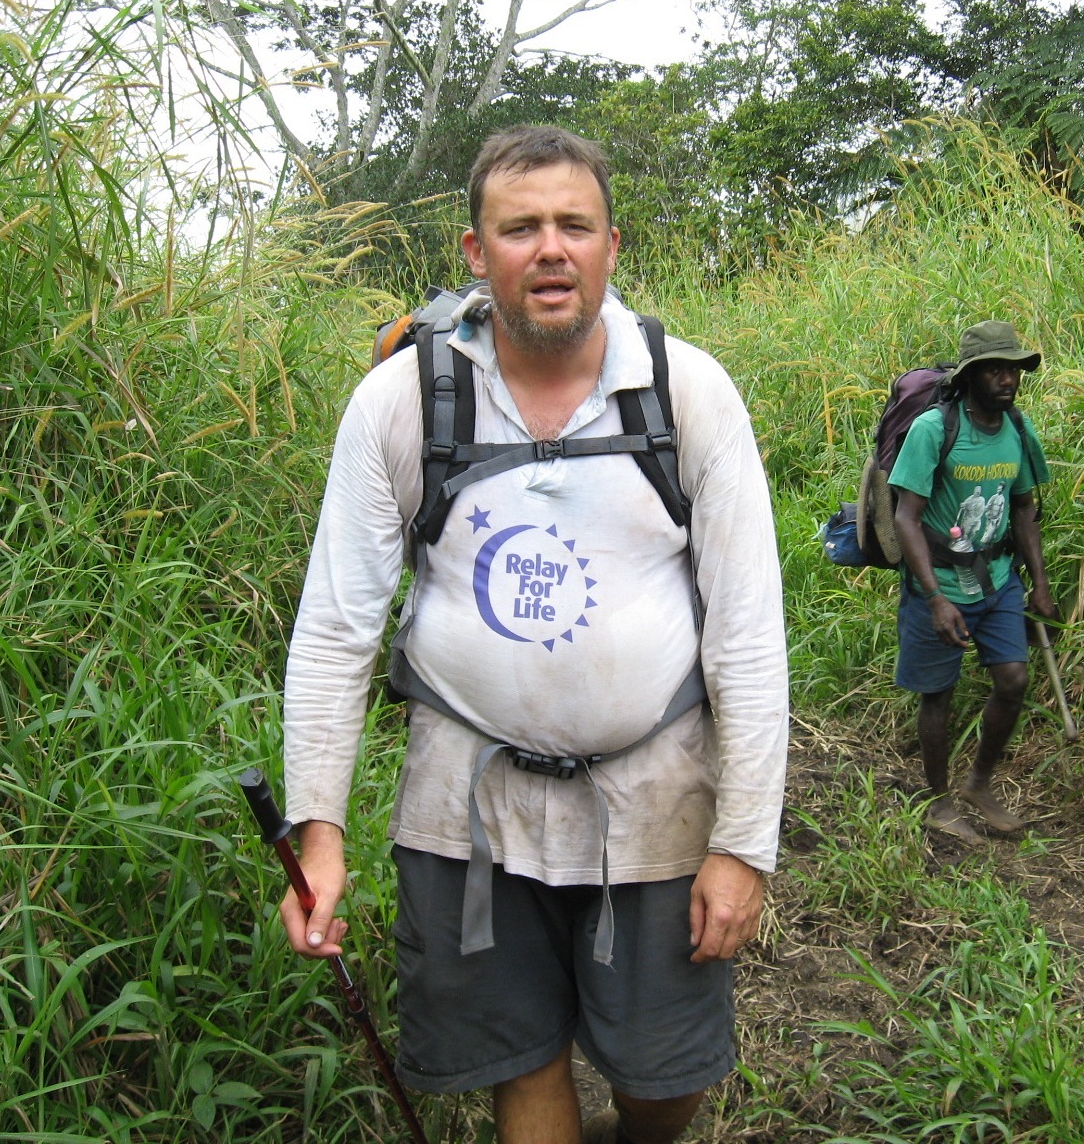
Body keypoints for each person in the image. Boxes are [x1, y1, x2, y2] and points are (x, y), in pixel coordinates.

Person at [278, 125, 789, 1144]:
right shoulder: (401, 402)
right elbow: (337, 626)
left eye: (573, 225)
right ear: (476, 253)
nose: (549, 248)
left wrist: (743, 846)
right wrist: (318, 833)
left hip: (655, 795)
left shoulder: (686, 393)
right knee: (521, 1059)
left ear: (610, 245)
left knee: (664, 1068)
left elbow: (747, 634)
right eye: (520, 228)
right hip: (467, 802)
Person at [888, 321, 1055, 846]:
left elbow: (1024, 509)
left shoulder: (1017, 430)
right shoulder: (934, 430)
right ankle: (938, 800)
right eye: (997, 370)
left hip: (997, 580)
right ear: (972, 375)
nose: (1008, 380)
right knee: (937, 695)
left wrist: (1040, 585)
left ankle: (979, 784)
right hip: (940, 583)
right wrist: (935, 599)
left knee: (1013, 680)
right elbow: (906, 518)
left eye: (1015, 370)